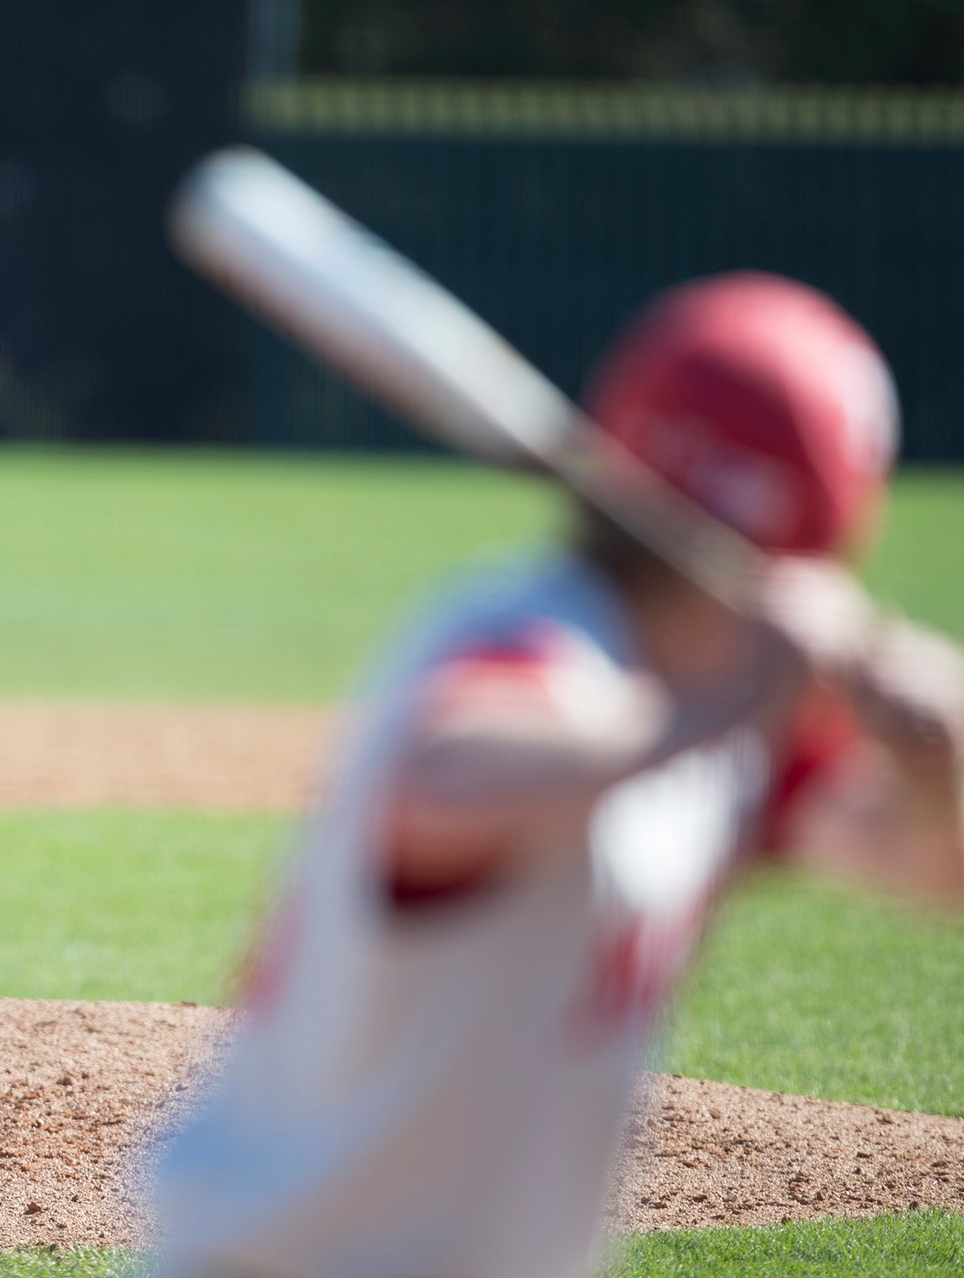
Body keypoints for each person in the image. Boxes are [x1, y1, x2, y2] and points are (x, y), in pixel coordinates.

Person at [150, 272, 964, 1277]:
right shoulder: (523, 633)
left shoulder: (718, 718)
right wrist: (733, 702)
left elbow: (938, 871)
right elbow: (446, 775)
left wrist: (930, 752)